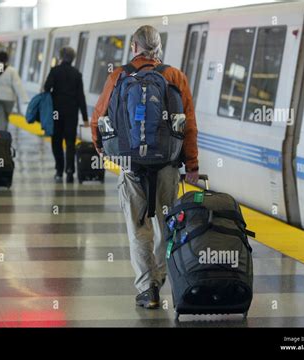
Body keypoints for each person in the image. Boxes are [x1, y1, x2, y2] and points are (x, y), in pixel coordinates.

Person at [91, 25, 199, 309]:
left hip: (131, 166)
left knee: (138, 228)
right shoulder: (175, 76)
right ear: (158, 48)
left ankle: (147, 289)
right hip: (166, 166)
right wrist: (192, 165)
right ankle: (163, 277)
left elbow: (98, 118)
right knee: (167, 226)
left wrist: (102, 149)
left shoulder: (119, 75)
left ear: (133, 47)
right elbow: (189, 124)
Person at [44, 46, 88, 183]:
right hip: (71, 113)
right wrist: (85, 117)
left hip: (56, 112)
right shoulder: (77, 74)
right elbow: (81, 97)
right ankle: (69, 171)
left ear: (61, 57)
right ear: (73, 58)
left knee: (56, 140)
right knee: (70, 142)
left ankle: (59, 170)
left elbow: (46, 88)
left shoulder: (54, 71)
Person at [0, 51, 27, 131]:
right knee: (5, 119)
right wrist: (24, 99)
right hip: (9, 99)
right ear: (7, 59)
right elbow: (18, 85)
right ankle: (2, 135)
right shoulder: (12, 71)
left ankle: (0, 136)